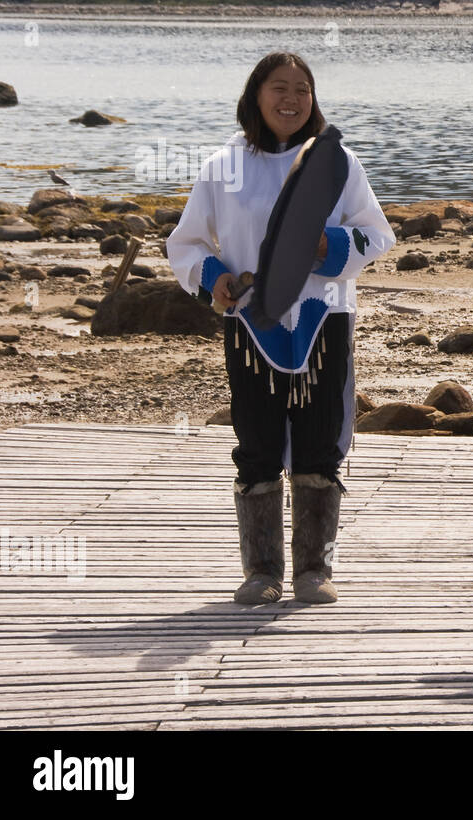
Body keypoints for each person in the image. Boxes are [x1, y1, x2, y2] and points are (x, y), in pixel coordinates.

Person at [168, 51, 394, 605]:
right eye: (279, 87)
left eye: (302, 89)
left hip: (322, 318)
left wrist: (328, 245)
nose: (291, 99)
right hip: (251, 322)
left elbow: (377, 236)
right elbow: (187, 243)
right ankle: (263, 570)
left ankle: (315, 568)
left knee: (321, 439)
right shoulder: (225, 164)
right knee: (257, 439)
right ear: (255, 95)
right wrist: (214, 277)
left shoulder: (337, 164)